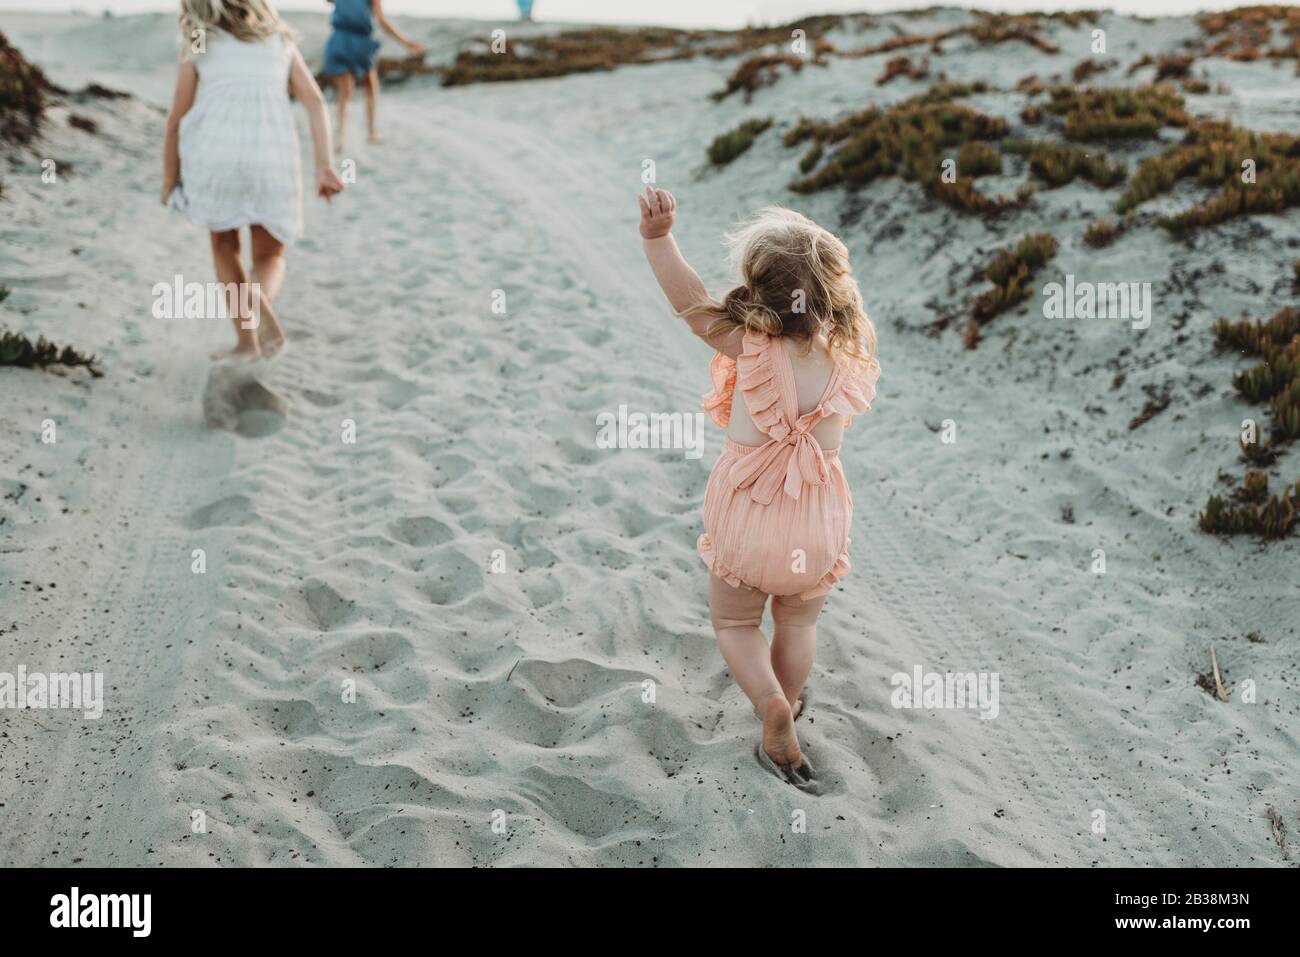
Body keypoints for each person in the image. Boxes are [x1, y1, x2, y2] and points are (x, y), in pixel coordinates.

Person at [639, 187, 881, 791]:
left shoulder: (749, 344)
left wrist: (659, 237)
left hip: (749, 514)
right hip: (817, 521)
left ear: (759, 290)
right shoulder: (848, 354)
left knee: (736, 625)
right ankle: (790, 703)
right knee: (797, 626)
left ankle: (767, 701)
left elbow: (690, 301)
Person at [163, 0, 344, 360]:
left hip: (216, 156)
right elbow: (315, 102)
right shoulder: (278, 40)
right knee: (270, 254)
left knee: (224, 247)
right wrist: (324, 165)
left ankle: (247, 342)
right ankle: (258, 299)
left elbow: (177, 117)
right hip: (271, 156)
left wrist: (170, 178)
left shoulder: (199, 40)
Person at [322, 0, 425, 149]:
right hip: (359, 41)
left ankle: (341, 137)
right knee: (370, 86)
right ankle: (371, 132)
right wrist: (408, 43)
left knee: (345, 91)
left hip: (339, 40)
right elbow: (382, 21)